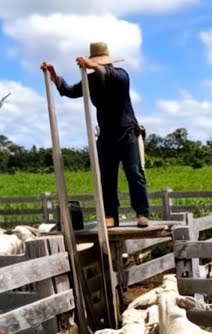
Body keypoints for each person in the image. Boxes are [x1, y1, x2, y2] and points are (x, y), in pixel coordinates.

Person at [41, 42, 151, 229]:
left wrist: (92, 66)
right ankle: (110, 214)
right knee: (107, 177)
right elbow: (69, 91)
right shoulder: (90, 81)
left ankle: (142, 213)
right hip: (107, 135)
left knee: (134, 172)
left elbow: (106, 73)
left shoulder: (121, 76)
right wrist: (54, 76)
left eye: (97, 65)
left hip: (126, 133)